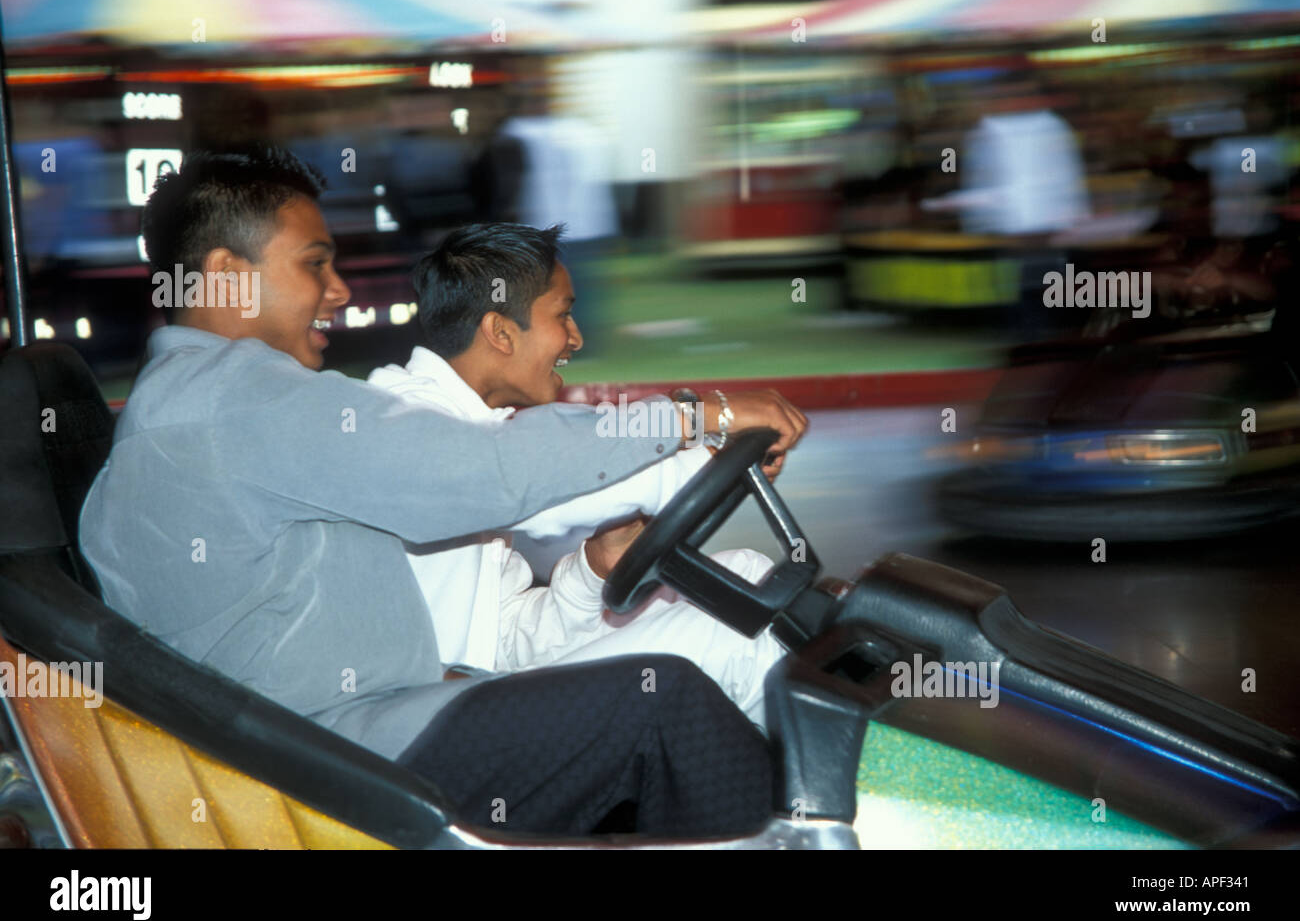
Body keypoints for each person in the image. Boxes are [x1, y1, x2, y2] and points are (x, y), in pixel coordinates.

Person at [78, 145, 806, 836]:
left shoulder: (183, 403)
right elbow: (486, 470)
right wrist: (691, 417)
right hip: (331, 761)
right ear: (226, 273)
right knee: (663, 704)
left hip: (325, 737)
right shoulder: (234, 396)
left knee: (698, 651)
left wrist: (592, 565)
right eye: (315, 264)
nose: (339, 290)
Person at [367, 223, 799, 727]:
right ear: (500, 331)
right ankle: (817, 802)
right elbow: (545, 474)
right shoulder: (402, 420)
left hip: (475, 690)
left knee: (747, 574)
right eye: (563, 314)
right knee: (740, 639)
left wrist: (596, 567)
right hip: (426, 724)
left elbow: (506, 643)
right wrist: (704, 420)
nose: (576, 338)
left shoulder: (477, 426)